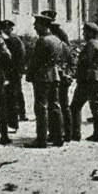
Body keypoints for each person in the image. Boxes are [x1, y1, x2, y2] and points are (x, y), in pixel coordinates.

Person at [25, 14, 64, 148]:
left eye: (37, 25)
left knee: (41, 108)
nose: (35, 27)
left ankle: (41, 139)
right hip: (54, 75)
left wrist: (29, 74)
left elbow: (36, 61)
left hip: (42, 76)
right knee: (55, 106)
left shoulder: (43, 41)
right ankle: (58, 137)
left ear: (43, 26)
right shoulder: (57, 40)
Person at [71, 22, 98, 142]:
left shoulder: (91, 44)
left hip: (88, 79)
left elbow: (86, 62)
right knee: (96, 107)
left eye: (85, 32)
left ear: (91, 33)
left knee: (75, 106)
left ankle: (75, 134)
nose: (83, 34)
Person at [42, 10, 74, 142]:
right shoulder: (65, 45)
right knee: (63, 105)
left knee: (54, 105)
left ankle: (56, 133)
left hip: (55, 76)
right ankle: (66, 133)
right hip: (62, 76)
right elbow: (72, 61)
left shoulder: (50, 42)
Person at [0, 19, 28, 129]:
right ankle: (10, 118)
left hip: (14, 71)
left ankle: (22, 113)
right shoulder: (0, 40)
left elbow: (21, 56)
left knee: (17, 93)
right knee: (7, 95)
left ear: (12, 29)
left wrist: (20, 70)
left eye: (9, 28)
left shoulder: (17, 40)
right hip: (5, 71)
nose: (7, 30)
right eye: (5, 28)